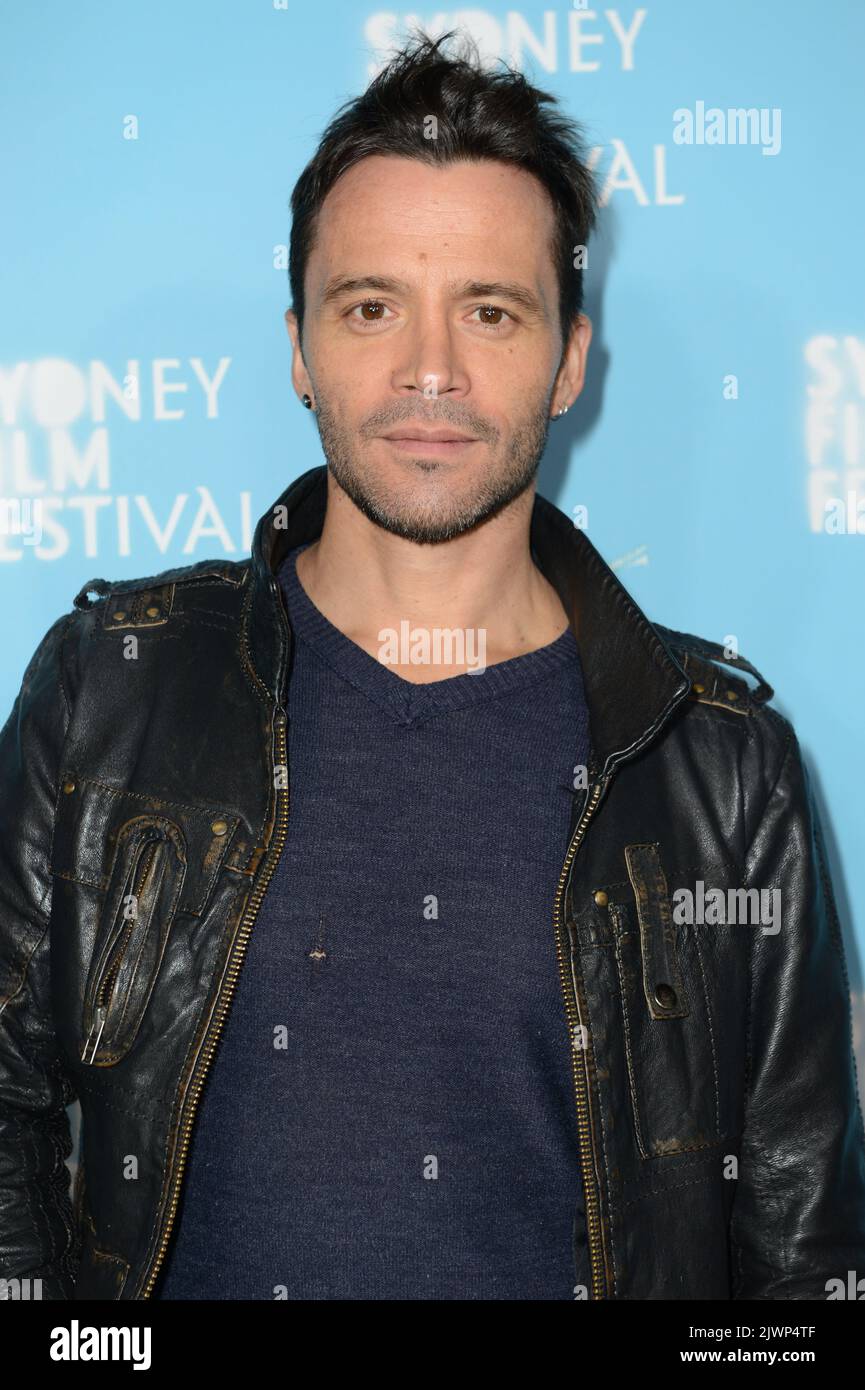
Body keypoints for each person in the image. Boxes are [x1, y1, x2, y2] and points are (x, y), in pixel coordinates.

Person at [1, 30, 863, 1302]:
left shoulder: (720, 767)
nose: (429, 371)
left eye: (490, 310)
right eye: (370, 307)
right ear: (299, 347)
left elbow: (798, 1254)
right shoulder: (109, 689)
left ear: (569, 358)